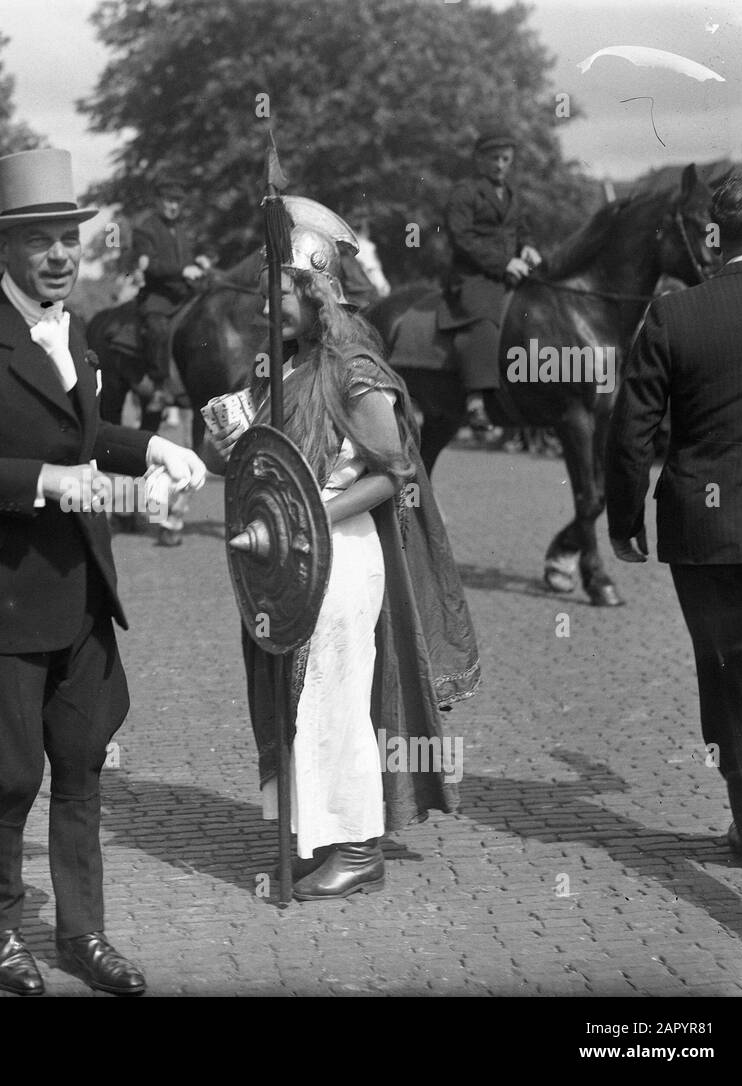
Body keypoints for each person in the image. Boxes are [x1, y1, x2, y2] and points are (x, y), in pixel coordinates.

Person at [0, 147, 207, 997]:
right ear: (5, 248)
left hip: (80, 592)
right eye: (40, 240)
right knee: (12, 776)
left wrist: (148, 445)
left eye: (69, 236)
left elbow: (82, 433)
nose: (61, 255)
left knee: (81, 767)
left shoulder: (76, 329)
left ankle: (84, 933)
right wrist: (43, 482)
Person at [216, 195, 480, 900]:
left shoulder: (352, 368)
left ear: (314, 293)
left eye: (282, 296)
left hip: (339, 558)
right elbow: (259, 465)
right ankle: (322, 833)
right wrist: (228, 451)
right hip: (285, 560)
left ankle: (360, 848)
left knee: (334, 695)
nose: (268, 311)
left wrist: (315, 514)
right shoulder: (278, 369)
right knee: (295, 697)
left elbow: (391, 472)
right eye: (264, 299)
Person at [606, 172, 742, 874]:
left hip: (708, 531)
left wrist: (622, 518)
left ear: (714, 236)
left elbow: (631, 427)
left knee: (729, 670)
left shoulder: (673, 316)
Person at [440, 128, 543, 431]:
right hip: (474, 275)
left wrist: (528, 248)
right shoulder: (465, 192)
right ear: (479, 160)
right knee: (484, 317)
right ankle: (476, 398)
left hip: (511, 271)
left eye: (505, 159)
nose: (500, 165)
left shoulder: (512, 194)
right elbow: (462, 238)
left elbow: (521, 229)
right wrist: (503, 263)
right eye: (494, 158)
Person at [131, 176, 210, 410]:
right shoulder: (145, 229)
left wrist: (200, 261)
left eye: (177, 201)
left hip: (185, 295)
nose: (173, 206)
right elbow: (148, 266)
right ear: (158, 201)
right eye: (168, 201)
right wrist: (183, 270)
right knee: (158, 328)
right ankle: (158, 386)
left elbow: (187, 259)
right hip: (158, 297)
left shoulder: (181, 229)